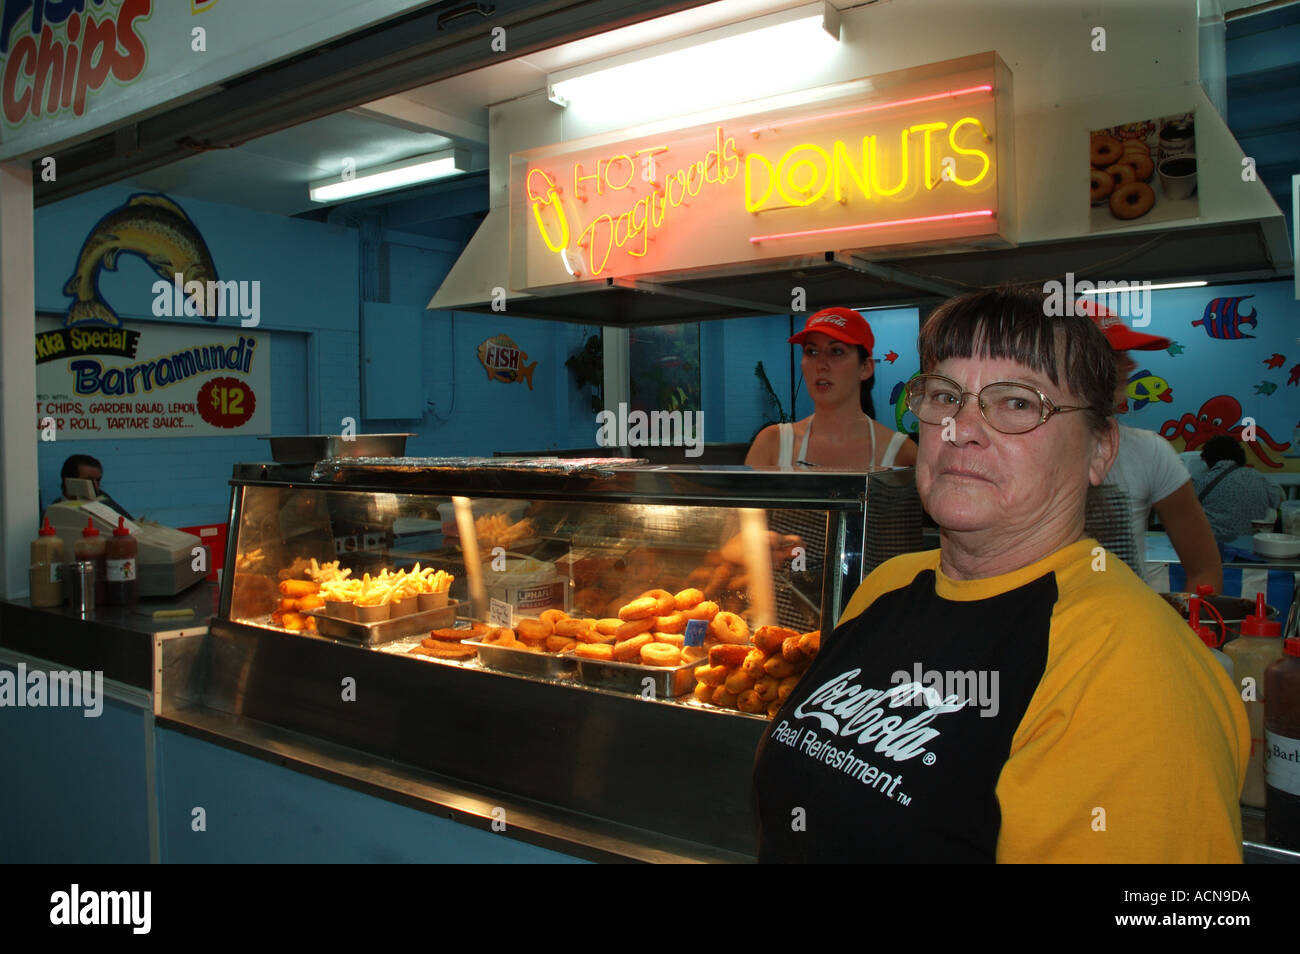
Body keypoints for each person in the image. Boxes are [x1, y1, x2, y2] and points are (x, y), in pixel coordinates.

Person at [753, 284, 1248, 863]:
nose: (961, 428)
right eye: (943, 395)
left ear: (1099, 450)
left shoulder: (1133, 670)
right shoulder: (888, 586)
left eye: (1017, 402)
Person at [1082, 302, 1222, 592]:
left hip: (1126, 630)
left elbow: (1205, 571)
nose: (1130, 364)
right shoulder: (1016, 450)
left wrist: (1171, 632)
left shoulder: (1150, 452)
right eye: (1114, 355)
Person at [745, 307, 917, 469]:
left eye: (836, 351)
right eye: (811, 352)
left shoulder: (901, 452)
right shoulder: (773, 444)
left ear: (866, 368)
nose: (821, 365)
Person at [1193, 435, 1283, 543]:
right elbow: (1279, 500)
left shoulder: (1198, 481)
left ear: (1207, 460)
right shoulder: (1262, 479)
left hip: (1211, 547)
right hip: (1252, 548)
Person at [54, 454, 134, 520]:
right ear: (68, 480)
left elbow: (131, 523)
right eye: (89, 481)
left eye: (98, 480)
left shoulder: (103, 499)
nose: (95, 486)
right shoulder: (55, 509)